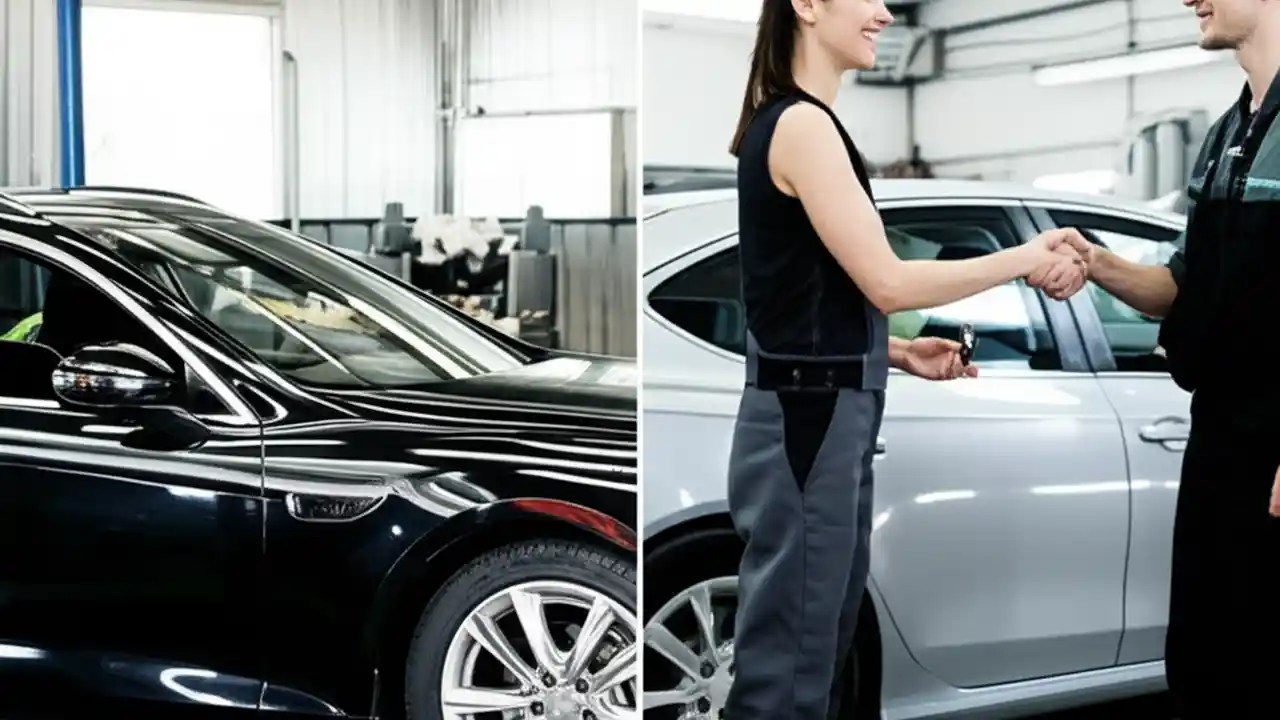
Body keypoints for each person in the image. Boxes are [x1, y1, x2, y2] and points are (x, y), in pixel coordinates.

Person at [722, 1, 1088, 718]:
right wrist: (1024, 257)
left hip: (820, 411)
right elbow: (886, 280)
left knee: (815, 651)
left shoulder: (799, 122)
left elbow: (792, 299)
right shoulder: (801, 126)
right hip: (811, 422)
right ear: (807, 5)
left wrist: (889, 351)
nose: (886, 13)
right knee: (790, 670)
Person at [1042, 1, 1280, 715]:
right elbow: (1182, 286)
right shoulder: (1224, 134)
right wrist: (1097, 262)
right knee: (1208, 658)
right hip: (1218, 435)